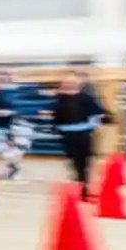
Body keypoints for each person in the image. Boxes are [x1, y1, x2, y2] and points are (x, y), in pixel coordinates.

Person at [51, 71, 111, 199]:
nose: (69, 85)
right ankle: (79, 184)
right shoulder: (59, 100)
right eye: (67, 83)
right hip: (67, 136)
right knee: (74, 162)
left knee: (84, 162)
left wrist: (100, 121)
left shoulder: (86, 98)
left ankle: (83, 187)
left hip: (83, 134)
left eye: (72, 82)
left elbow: (99, 113)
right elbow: (55, 118)